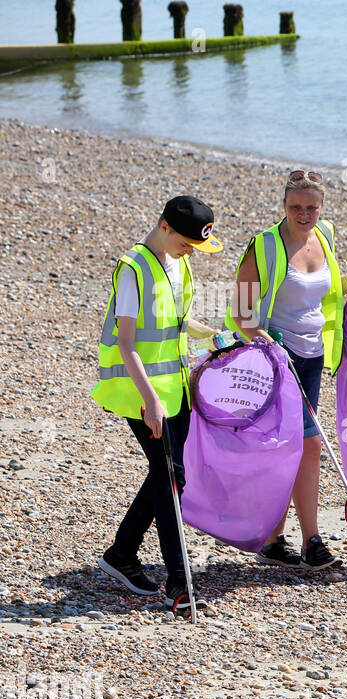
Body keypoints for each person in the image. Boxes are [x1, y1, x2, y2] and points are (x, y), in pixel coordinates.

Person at [227, 170, 347, 570]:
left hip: (312, 359)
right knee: (309, 444)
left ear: (322, 207)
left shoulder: (324, 236)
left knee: (290, 447)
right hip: (277, 362)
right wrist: (273, 346)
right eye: (296, 207)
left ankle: (273, 540)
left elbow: (323, 289)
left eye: (312, 207)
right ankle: (313, 542)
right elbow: (241, 315)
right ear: (284, 206)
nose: (304, 214)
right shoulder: (262, 247)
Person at [93, 195, 222, 617]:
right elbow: (128, 344)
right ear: (164, 226)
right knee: (171, 479)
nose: (191, 251)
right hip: (140, 393)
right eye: (187, 243)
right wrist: (150, 400)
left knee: (167, 474)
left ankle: (122, 555)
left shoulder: (177, 260)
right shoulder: (134, 268)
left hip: (175, 390)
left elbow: (176, 323)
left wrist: (214, 335)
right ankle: (179, 584)